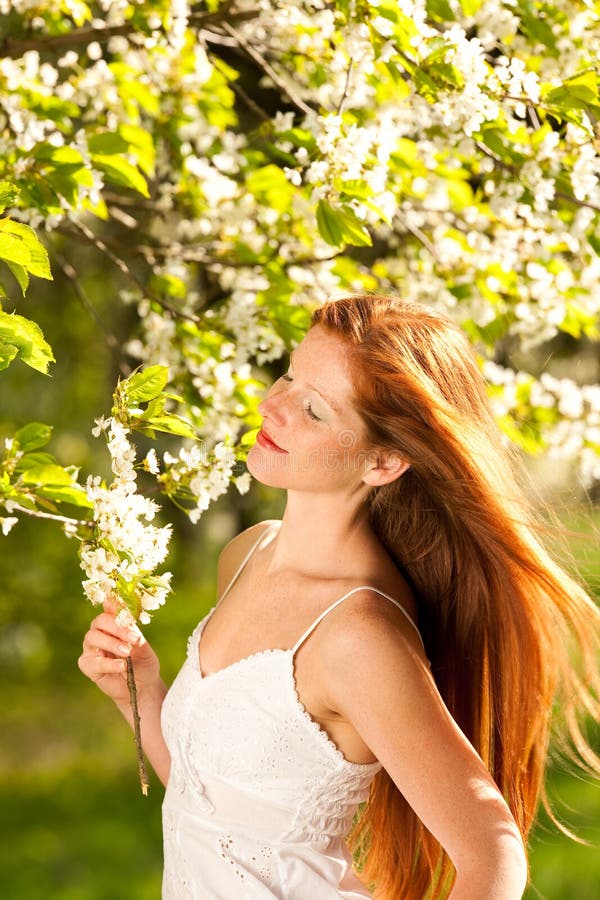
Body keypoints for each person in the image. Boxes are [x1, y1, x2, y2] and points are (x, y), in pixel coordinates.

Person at [78, 294, 600, 899]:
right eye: (288, 376)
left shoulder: (359, 635)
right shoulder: (248, 553)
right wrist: (137, 689)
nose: (272, 407)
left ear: (382, 462)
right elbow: (219, 813)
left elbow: (493, 854)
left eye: (314, 410)